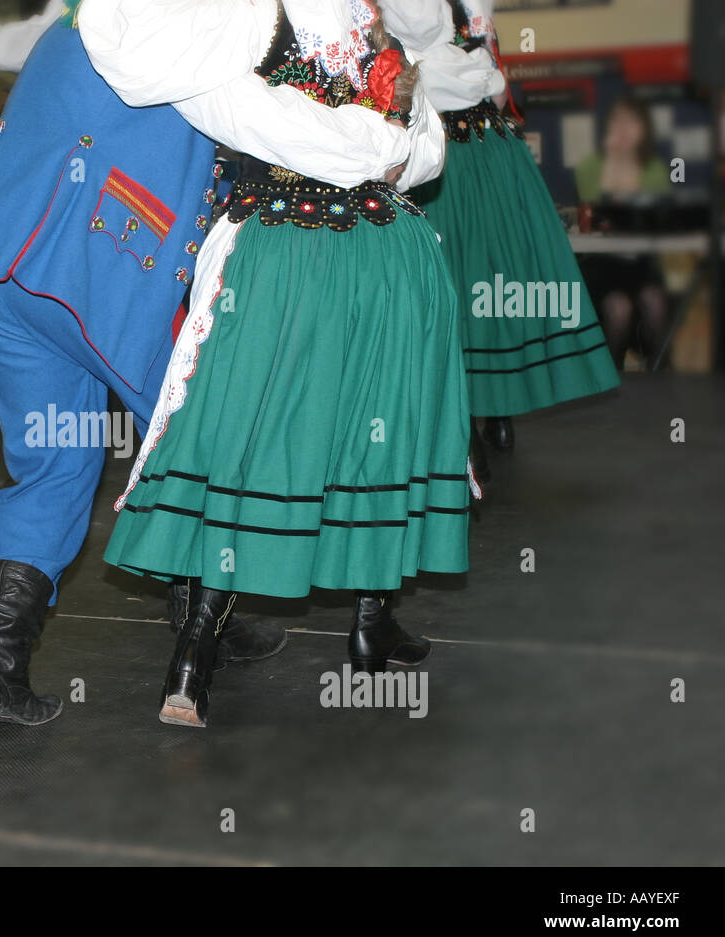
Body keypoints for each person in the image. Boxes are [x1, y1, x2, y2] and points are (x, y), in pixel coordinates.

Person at [0, 0, 417, 726]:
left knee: (55, 462)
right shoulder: (197, 25)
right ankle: (201, 621)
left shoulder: (86, 14)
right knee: (202, 438)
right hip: (98, 265)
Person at [97, 0, 466, 728]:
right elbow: (243, 118)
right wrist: (375, 142)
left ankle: (370, 625)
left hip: (388, 256)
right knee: (244, 441)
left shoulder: (372, 16)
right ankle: (195, 650)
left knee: (378, 431)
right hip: (282, 259)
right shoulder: (235, 15)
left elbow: (428, 148)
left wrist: (390, 143)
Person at [385, 0, 618, 457]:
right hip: (478, 147)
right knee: (493, 279)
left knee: (468, 279)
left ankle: (476, 420)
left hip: (455, 152)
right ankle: (487, 416)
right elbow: (483, 74)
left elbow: (435, 62)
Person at [574, 97, 673, 369]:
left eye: (631, 121)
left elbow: (658, 216)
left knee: (656, 302)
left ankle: (660, 372)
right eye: (617, 120)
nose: (624, 128)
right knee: (619, 308)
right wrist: (613, 162)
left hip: (640, 262)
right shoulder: (590, 166)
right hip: (601, 263)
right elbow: (590, 202)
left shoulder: (655, 169)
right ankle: (611, 374)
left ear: (644, 129)